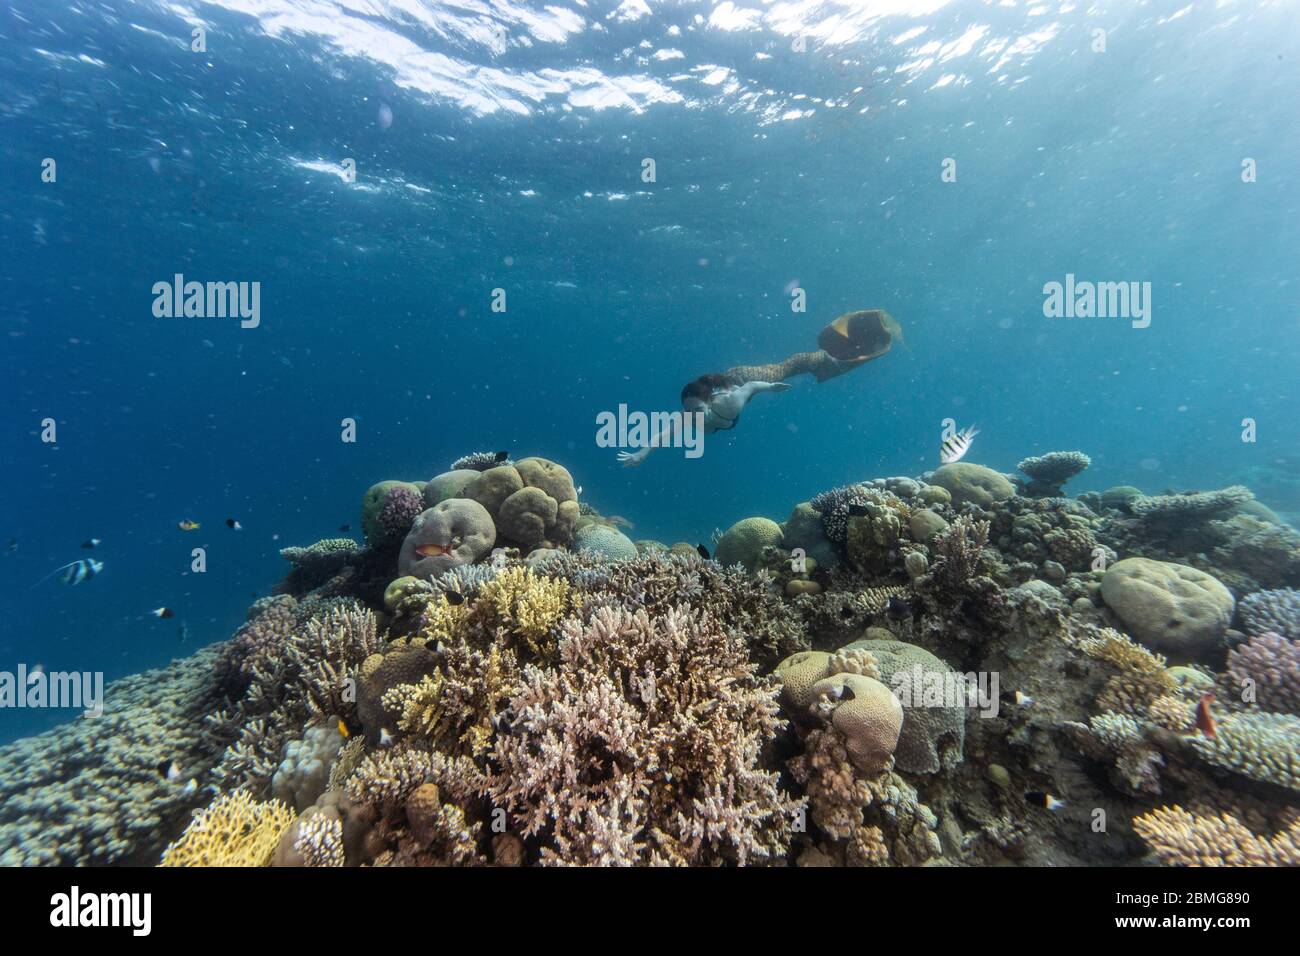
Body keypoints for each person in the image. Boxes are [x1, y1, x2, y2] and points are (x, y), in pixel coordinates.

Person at [618, 309, 901, 466]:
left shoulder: (729, 403)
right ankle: (825, 359)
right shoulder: (689, 415)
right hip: (720, 382)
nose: (693, 415)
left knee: (793, 364)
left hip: (741, 378)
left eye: (697, 409)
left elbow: (751, 384)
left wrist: (771, 387)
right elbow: (662, 434)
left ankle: (834, 355)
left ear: (709, 403)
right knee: (792, 365)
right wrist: (641, 454)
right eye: (689, 410)